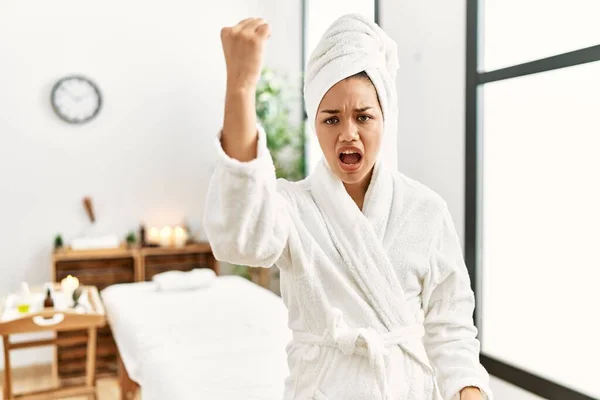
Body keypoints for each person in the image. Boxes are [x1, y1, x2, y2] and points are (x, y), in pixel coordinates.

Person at [205, 14, 492, 400]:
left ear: (384, 118)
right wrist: (240, 88)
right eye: (331, 119)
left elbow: (451, 323)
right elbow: (240, 238)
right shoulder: (293, 206)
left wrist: (468, 391)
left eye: (363, 116)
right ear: (315, 125)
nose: (348, 133)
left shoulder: (426, 209)